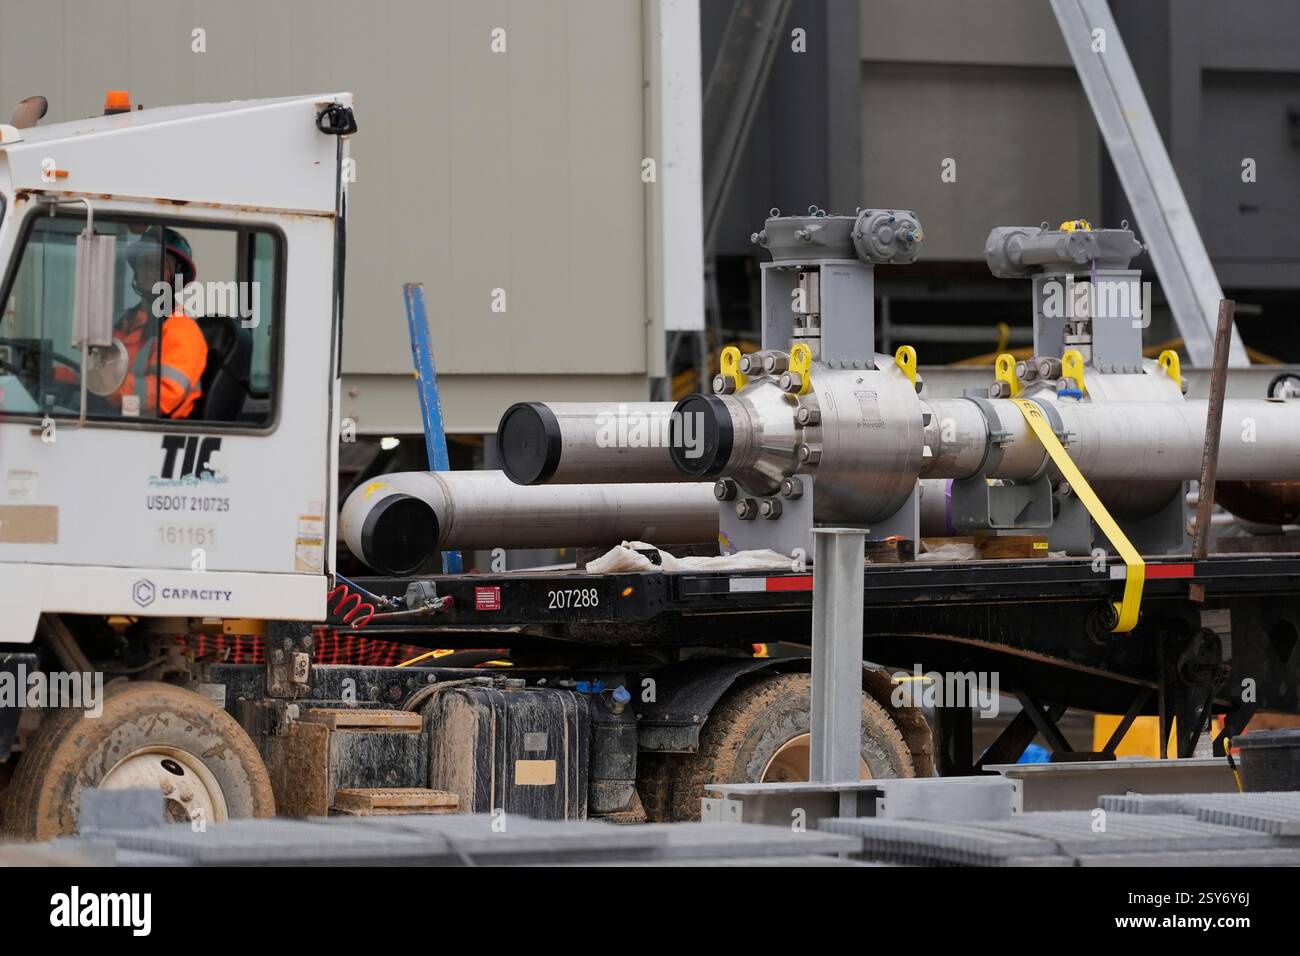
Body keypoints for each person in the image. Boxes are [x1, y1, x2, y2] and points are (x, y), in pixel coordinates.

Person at [110, 226, 208, 419]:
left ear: (176, 277)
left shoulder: (182, 330)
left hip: (154, 436)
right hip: (121, 422)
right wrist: (55, 375)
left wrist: (109, 386)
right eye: (144, 261)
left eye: (160, 264)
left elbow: (162, 398)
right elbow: (95, 373)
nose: (150, 269)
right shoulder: (125, 323)